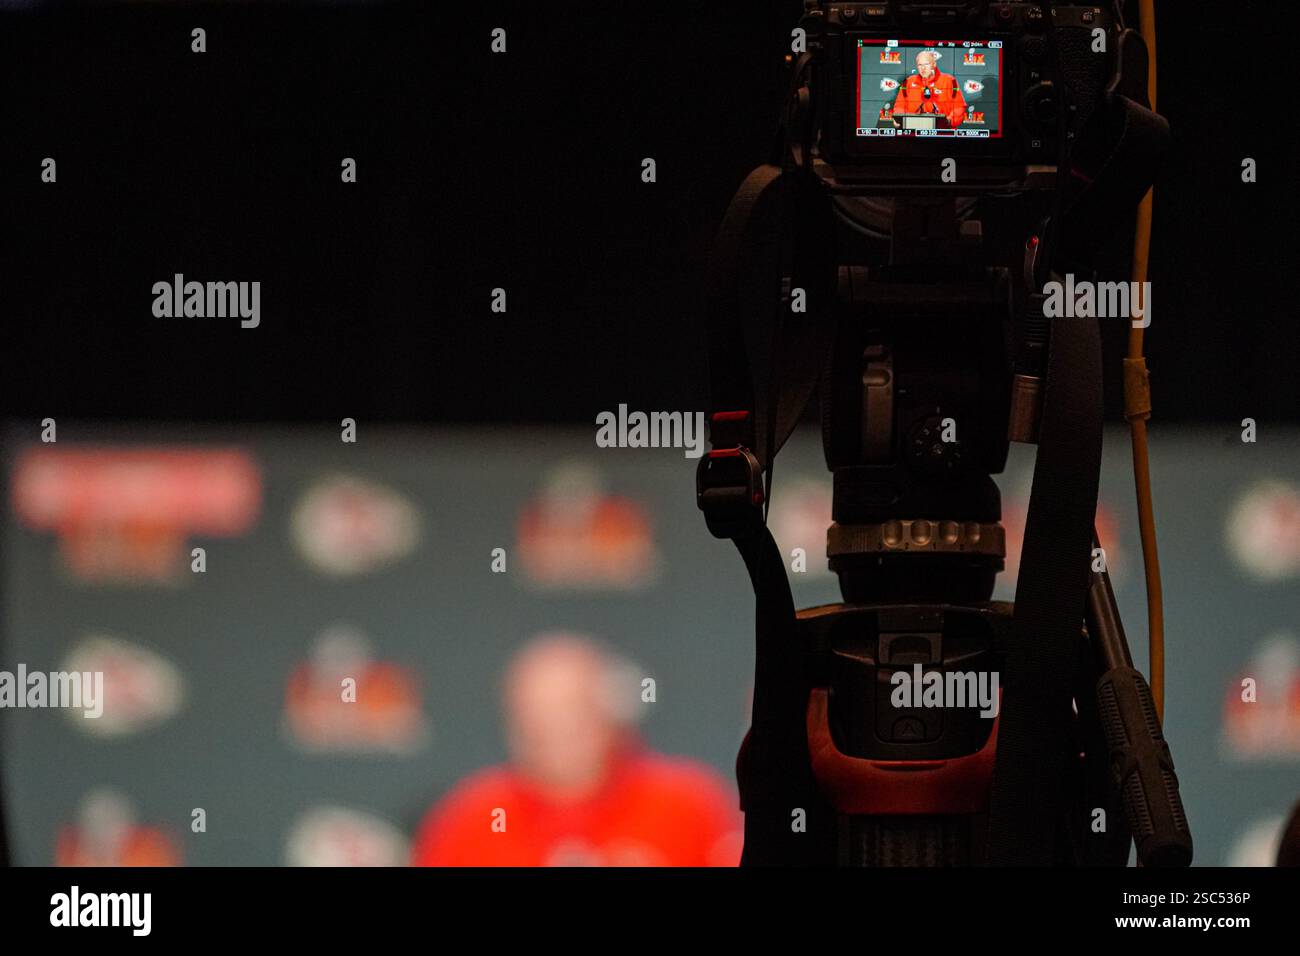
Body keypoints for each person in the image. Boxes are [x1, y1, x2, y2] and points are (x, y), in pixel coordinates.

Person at [411, 632, 741, 866]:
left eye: (573, 710)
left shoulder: (688, 804)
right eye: (535, 716)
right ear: (511, 723)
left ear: (611, 711)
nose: (557, 730)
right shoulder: (471, 817)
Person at [892, 49, 967, 129]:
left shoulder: (950, 81)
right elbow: (899, 106)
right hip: (914, 131)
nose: (923, 68)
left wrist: (948, 121)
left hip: (943, 132)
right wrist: (899, 120)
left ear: (934, 64)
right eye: (920, 65)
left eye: (926, 64)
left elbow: (959, 107)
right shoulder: (907, 82)